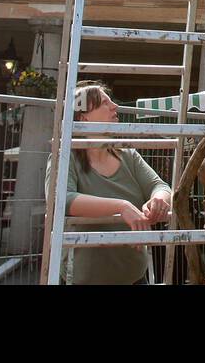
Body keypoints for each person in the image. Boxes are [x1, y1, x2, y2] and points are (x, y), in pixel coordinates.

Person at [45, 81, 173, 285]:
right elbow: (63, 200)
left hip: (135, 278)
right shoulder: (65, 157)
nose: (115, 106)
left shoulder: (128, 154)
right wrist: (121, 207)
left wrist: (158, 200)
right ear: (83, 117)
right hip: (83, 280)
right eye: (105, 103)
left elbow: (160, 186)